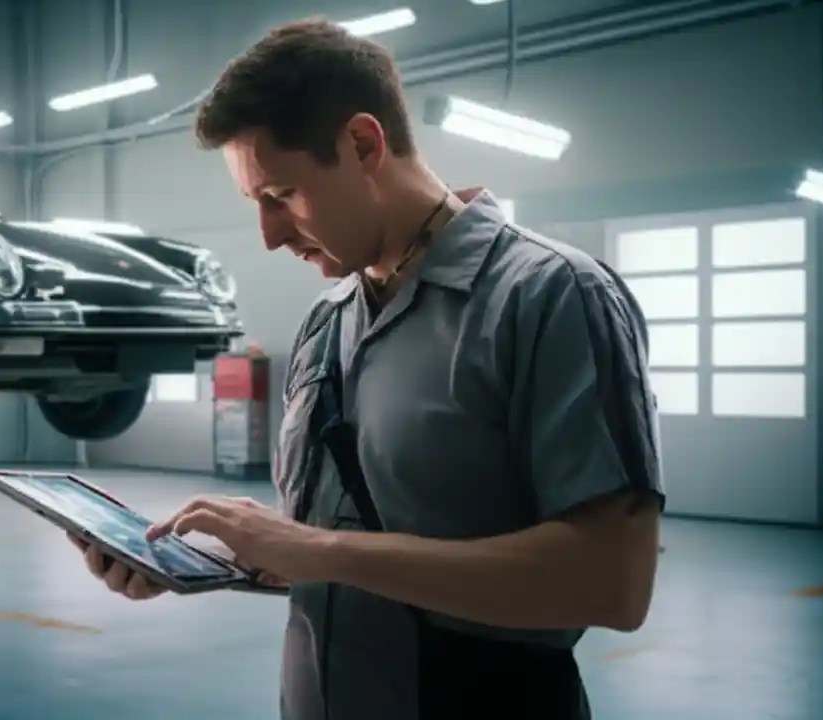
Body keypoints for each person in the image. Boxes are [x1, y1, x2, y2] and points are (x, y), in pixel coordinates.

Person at [69, 16, 665, 720]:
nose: (268, 236)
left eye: (279, 195)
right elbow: (334, 560)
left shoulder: (549, 295)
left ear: (361, 144)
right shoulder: (327, 325)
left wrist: (319, 549)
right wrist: (213, 564)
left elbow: (612, 582)